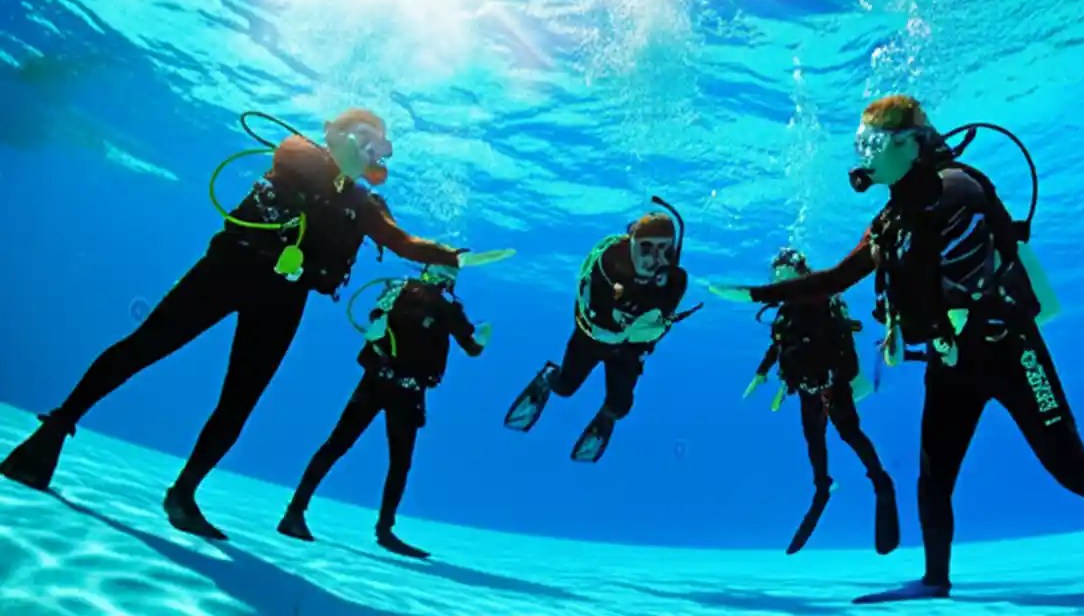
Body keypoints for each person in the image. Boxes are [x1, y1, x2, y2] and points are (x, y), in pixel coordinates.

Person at [709, 95, 1084, 602]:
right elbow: (836, 278)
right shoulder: (888, 221)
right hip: (952, 367)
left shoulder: (957, 188)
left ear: (910, 144)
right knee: (932, 480)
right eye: (861, 144)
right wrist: (757, 294)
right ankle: (934, 580)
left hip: (1009, 350)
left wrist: (943, 302)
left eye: (873, 143)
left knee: (1069, 465)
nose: (864, 154)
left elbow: (967, 260)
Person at [0, 108, 513, 541]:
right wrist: (338, 159)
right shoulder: (299, 151)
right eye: (364, 136)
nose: (372, 148)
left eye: (379, 145)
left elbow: (401, 242)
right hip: (231, 267)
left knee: (241, 399)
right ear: (336, 132)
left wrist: (445, 253)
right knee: (145, 346)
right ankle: (52, 433)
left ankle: (184, 493)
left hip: (285, 297)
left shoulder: (363, 203)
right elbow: (292, 155)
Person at [276, 262, 491, 558]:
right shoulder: (436, 302)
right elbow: (472, 348)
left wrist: (476, 339)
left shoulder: (408, 292)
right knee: (389, 460)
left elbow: (375, 319)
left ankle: (300, 512)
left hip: (382, 383)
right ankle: (378, 529)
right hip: (399, 388)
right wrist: (482, 336)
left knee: (346, 447)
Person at [503, 200, 699, 463]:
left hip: (630, 348)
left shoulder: (676, 279)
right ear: (631, 245)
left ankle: (606, 418)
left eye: (664, 249)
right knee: (565, 388)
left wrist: (639, 328)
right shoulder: (609, 262)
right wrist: (631, 321)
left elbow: (660, 323)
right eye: (647, 248)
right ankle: (548, 377)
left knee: (620, 407)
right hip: (591, 339)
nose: (655, 258)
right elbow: (596, 311)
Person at [744, 247, 898, 557]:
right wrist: (762, 373)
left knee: (849, 433)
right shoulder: (784, 314)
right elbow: (778, 345)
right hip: (803, 388)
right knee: (813, 439)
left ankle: (880, 480)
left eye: (788, 282)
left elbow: (843, 346)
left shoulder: (822, 304)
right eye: (779, 284)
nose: (785, 290)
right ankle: (822, 485)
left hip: (832, 383)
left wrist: (837, 378)